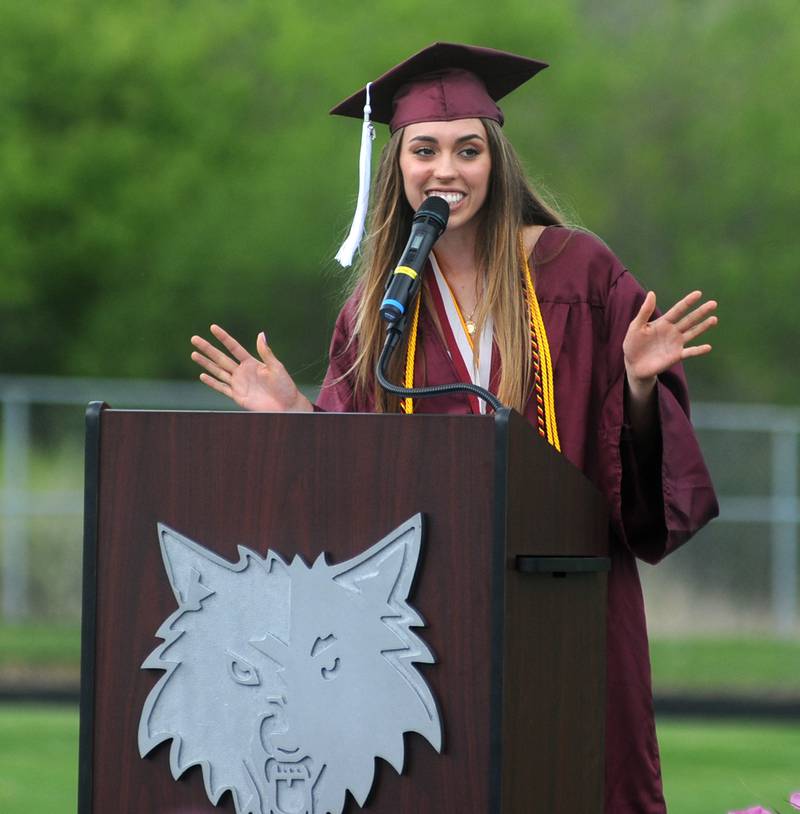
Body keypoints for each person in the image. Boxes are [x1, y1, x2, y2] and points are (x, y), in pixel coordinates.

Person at [190, 42, 719, 813]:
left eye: (469, 150)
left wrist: (638, 381)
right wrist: (299, 420)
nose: (448, 171)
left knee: (578, 774)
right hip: (431, 611)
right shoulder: (379, 309)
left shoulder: (579, 272)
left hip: (566, 592)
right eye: (426, 150)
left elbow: (631, 456)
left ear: (497, 162)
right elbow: (360, 477)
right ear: (396, 168)